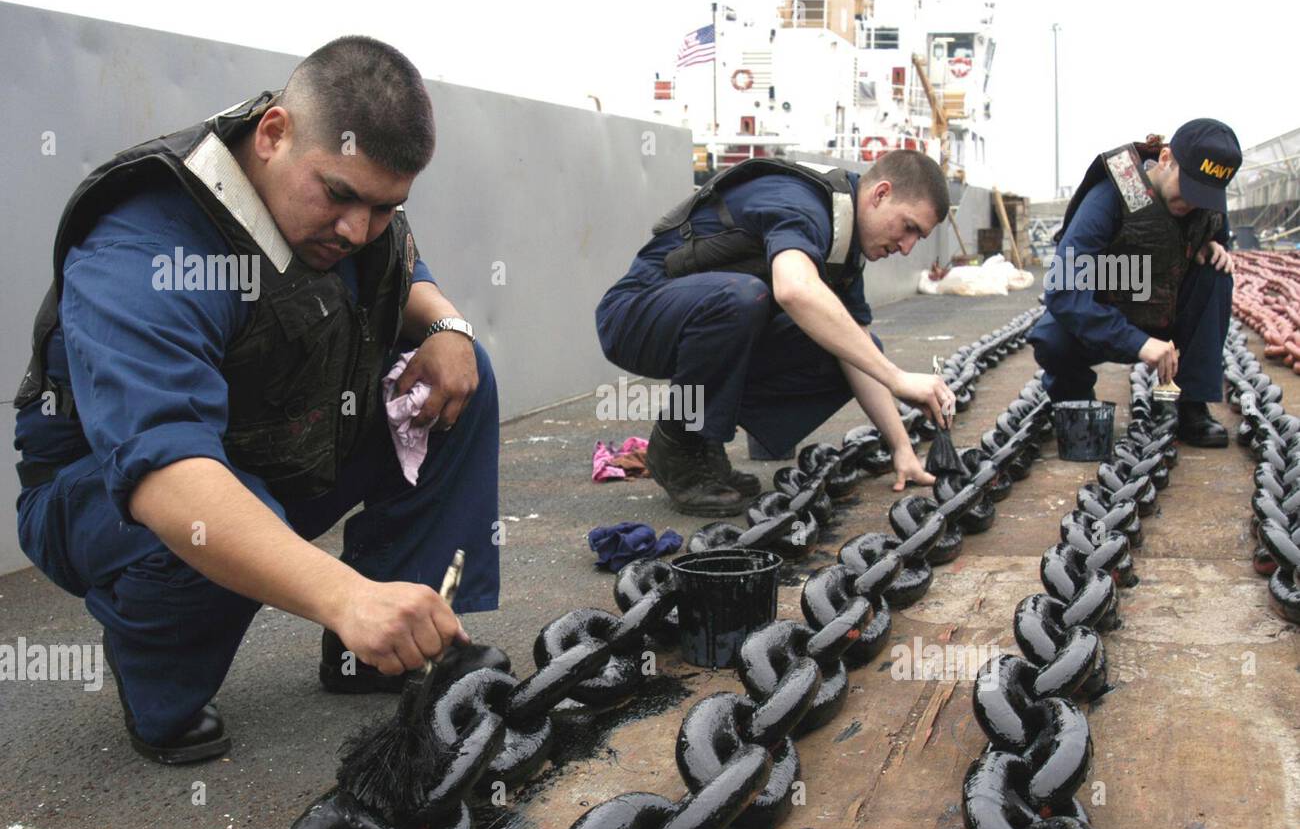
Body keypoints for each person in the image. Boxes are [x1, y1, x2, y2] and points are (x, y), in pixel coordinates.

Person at [12, 37, 499, 764]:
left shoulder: (339, 194)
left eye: (384, 206)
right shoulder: (147, 247)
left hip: (279, 437)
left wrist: (447, 325)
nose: (357, 229)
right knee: (214, 512)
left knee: (461, 376)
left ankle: (385, 652)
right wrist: (344, 594)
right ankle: (160, 690)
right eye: (340, 197)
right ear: (271, 134)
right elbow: (164, 468)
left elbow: (398, 262)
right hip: (110, 498)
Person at [595, 150, 955, 516]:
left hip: (703, 323)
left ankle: (702, 442)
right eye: (909, 227)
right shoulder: (801, 204)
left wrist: (901, 448)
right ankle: (677, 444)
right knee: (742, 298)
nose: (908, 247)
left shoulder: (843, 239)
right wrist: (898, 378)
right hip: (634, 317)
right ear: (880, 194)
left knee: (856, 348)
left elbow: (859, 351)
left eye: (919, 238)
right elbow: (794, 289)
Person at [1029, 119, 1241, 446]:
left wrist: (1209, 245)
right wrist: (1138, 342)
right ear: (1167, 158)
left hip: (1164, 312)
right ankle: (1074, 399)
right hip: (1108, 312)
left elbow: (1210, 237)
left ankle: (1191, 405)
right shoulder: (1110, 196)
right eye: (1189, 190)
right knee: (1051, 338)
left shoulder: (1206, 203)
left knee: (1216, 273)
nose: (1193, 204)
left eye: (1204, 197)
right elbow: (1064, 289)